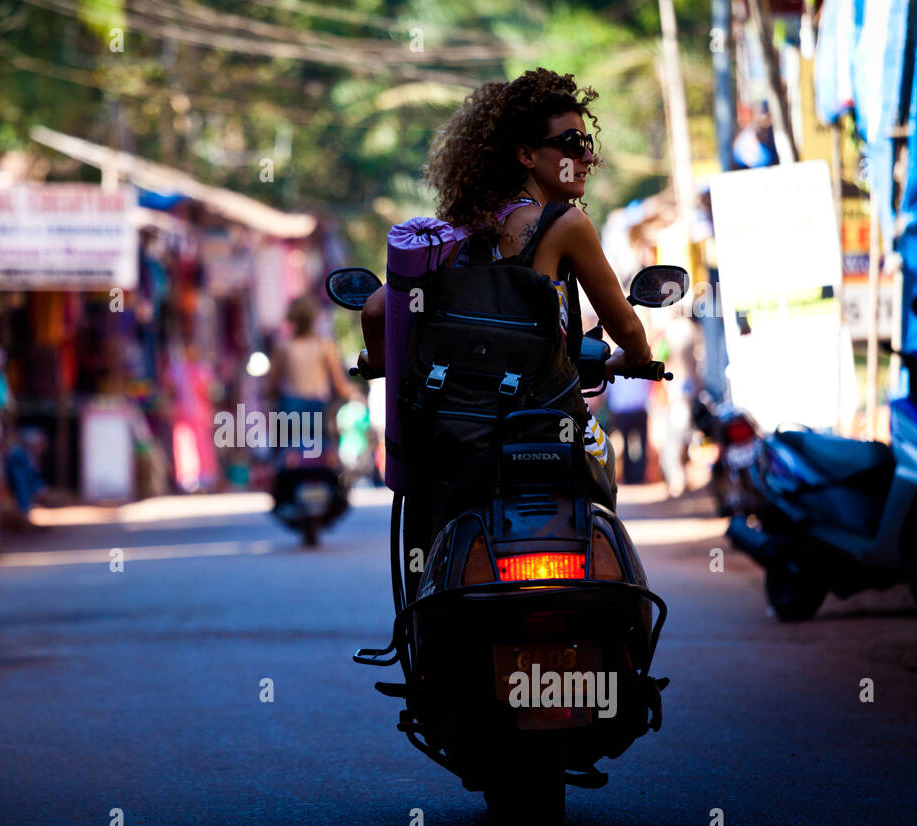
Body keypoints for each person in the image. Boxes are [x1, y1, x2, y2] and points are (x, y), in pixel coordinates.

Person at [356, 68, 654, 582]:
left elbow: (377, 310)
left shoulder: (456, 233)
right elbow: (624, 323)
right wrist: (639, 359)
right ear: (525, 155)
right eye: (571, 143)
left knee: (430, 554)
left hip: (460, 436)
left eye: (587, 144)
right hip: (546, 428)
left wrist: (376, 361)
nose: (587, 156)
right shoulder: (565, 224)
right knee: (601, 513)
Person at [264, 294, 358, 467]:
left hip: (290, 410)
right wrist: (354, 394)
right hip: (318, 409)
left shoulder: (283, 347)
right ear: (314, 318)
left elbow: (271, 386)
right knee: (331, 454)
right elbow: (340, 385)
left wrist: (269, 394)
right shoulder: (325, 346)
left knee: (282, 456)